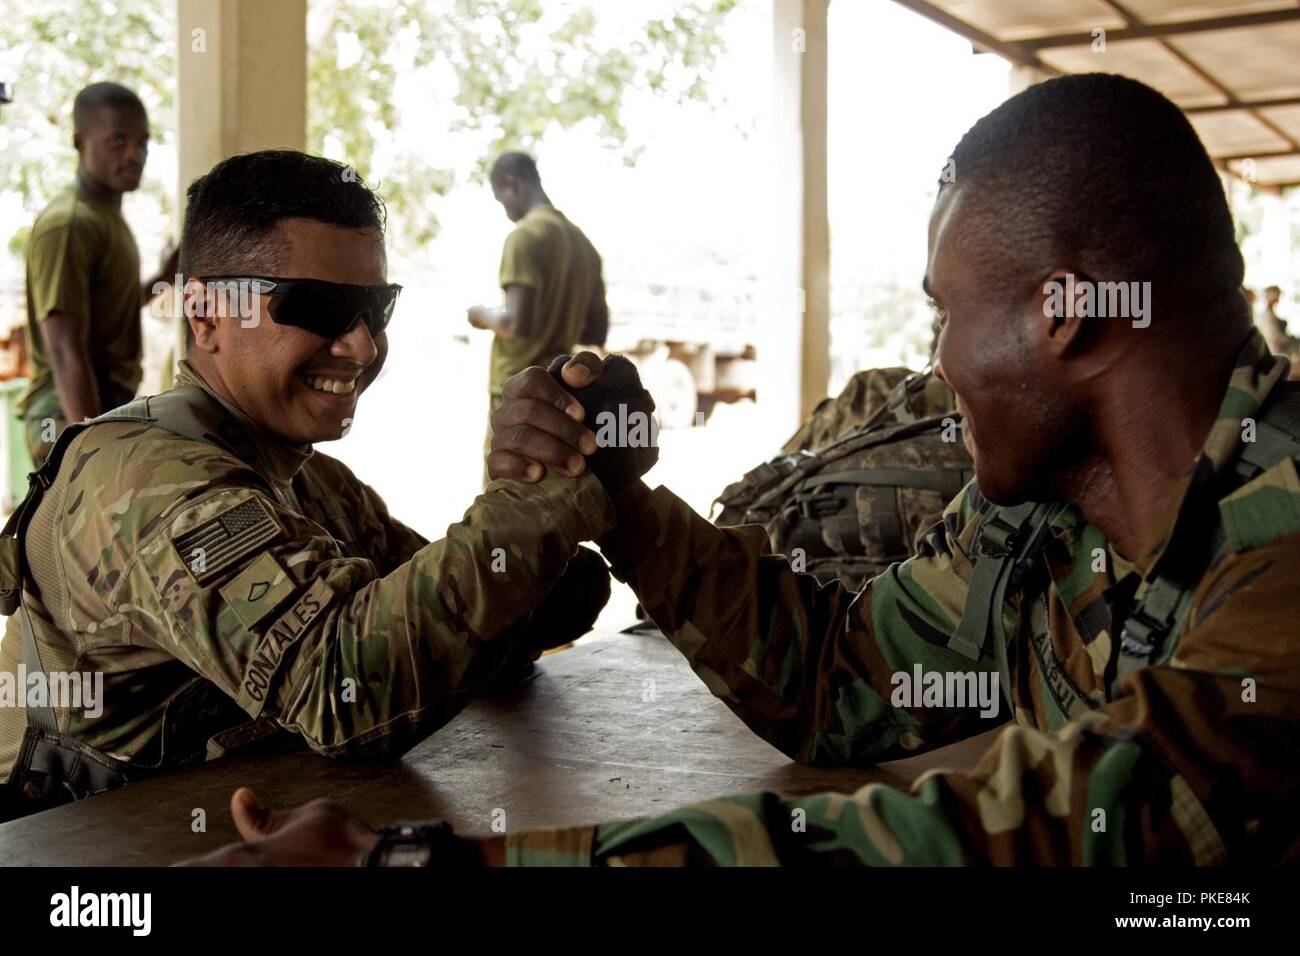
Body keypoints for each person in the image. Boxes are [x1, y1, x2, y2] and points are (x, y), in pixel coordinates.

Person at [189, 74, 1299, 866]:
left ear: (1066, 313)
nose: (935, 363)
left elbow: (1061, 826)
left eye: (944, 315)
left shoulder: (1280, 535)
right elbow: (847, 676)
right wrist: (621, 495)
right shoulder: (1045, 518)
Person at [0, 149, 618, 822]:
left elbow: (450, 627)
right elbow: (347, 692)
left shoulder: (311, 482)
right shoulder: (150, 489)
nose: (361, 345)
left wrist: (568, 457)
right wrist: (531, 506)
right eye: (319, 307)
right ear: (204, 315)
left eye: (375, 308)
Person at [20, 82, 177, 464]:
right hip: (64, 415)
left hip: (102, 409)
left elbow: (112, 307)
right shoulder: (70, 224)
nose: (133, 155)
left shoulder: (107, 218)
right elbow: (64, 347)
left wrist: (164, 277)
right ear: (80, 142)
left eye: (142, 143)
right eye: (117, 142)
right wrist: (91, 449)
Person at [467, 153, 608, 483]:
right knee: (551, 499)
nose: (505, 208)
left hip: (518, 396)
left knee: (504, 502)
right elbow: (597, 329)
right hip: (563, 394)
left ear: (511, 185)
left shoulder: (525, 237)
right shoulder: (583, 245)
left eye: (501, 198)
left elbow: (518, 323)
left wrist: (481, 315)